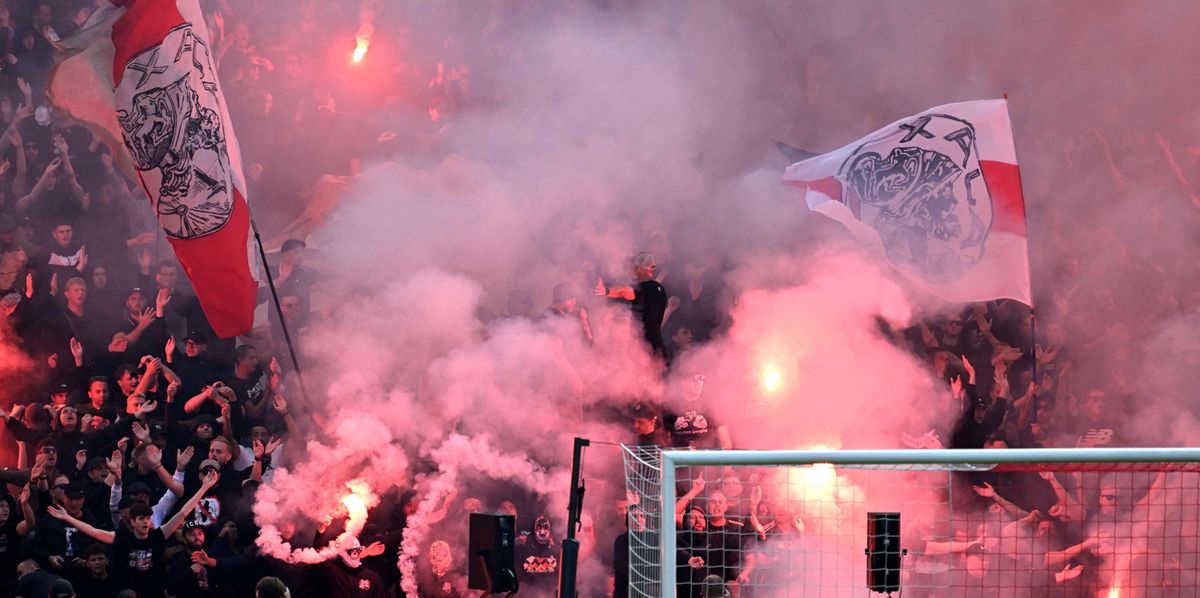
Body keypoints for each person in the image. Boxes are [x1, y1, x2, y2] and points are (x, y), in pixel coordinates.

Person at [45, 469, 218, 597]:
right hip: (129, 590)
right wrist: (67, 518)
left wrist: (203, 489)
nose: (145, 521)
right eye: (141, 518)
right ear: (133, 521)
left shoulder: (158, 535)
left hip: (154, 591)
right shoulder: (121, 538)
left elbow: (182, 513)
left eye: (148, 518)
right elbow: (92, 530)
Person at [596, 251, 667, 357]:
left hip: (644, 350)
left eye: (633, 268)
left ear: (638, 269)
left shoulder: (645, 287)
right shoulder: (660, 288)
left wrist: (606, 291)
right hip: (657, 346)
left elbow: (625, 291)